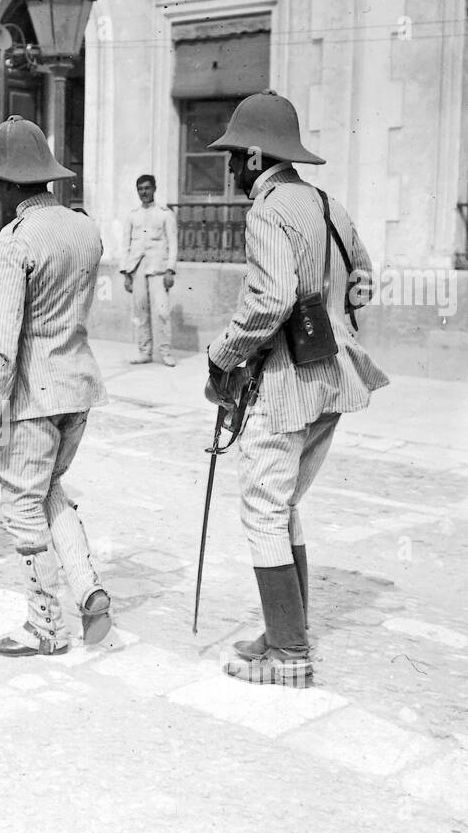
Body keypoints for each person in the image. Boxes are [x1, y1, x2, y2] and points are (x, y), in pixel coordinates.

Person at [204, 90, 389, 685]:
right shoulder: (327, 203)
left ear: (256, 157)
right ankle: (290, 631)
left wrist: (222, 355)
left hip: (284, 381)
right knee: (283, 506)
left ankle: (289, 653)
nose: (231, 167)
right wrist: (333, 310)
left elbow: (270, 299)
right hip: (334, 376)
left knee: (263, 507)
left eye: (236, 156)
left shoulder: (267, 210)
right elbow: (363, 275)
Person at [0, 116, 113, 657]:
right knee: (52, 492)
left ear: (4, 186)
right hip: (78, 388)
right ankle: (90, 590)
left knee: (23, 508)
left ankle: (45, 627)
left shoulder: (14, 242)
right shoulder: (84, 228)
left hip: (29, 399)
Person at [121, 174, 178, 366]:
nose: (143, 192)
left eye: (147, 188)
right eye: (140, 189)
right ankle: (144, 351)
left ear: (154, 188)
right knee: (140, 312)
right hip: (137, 270)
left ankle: (166, 352)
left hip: (159, 269)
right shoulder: (132, 215)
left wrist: (170, 270)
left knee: (162, 312)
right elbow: (125, 246)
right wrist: (126, 274)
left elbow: (173, 244)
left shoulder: (165, 214)